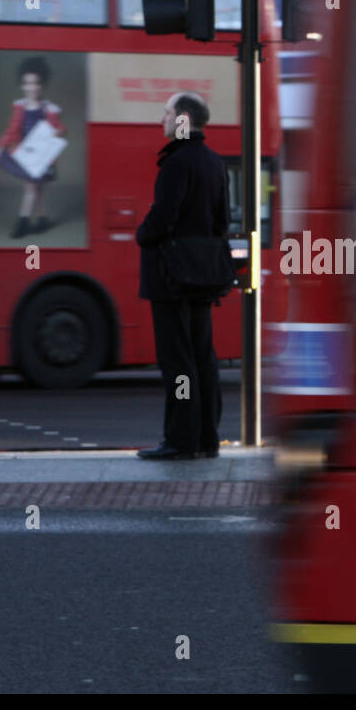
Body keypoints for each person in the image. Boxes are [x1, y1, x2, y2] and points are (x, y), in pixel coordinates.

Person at [135, 92, 228, 460]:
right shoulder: (215, 163)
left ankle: (181, 440)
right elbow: (221, 221)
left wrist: (142, 233)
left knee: (178, 362)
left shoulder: (176, 162)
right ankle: (207, 438)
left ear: (184, 118)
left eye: (168, 113)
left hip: (172, 277)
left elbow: (163, 218)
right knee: (203, 356)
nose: (163, 119)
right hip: (204, 274)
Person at [0, 56, 64, 238]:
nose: (32, 88)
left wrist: (57, 132)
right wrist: (2, 145)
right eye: (28, 84)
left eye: (36, 83)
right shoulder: (20, 107)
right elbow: (12, 128)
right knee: (34, 188)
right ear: (22, 85)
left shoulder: (49, 109)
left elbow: (60, 128)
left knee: (33, 187)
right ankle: (42, 219)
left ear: (42, 85)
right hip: (25, 154)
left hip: (41, 156)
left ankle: (22, 222)